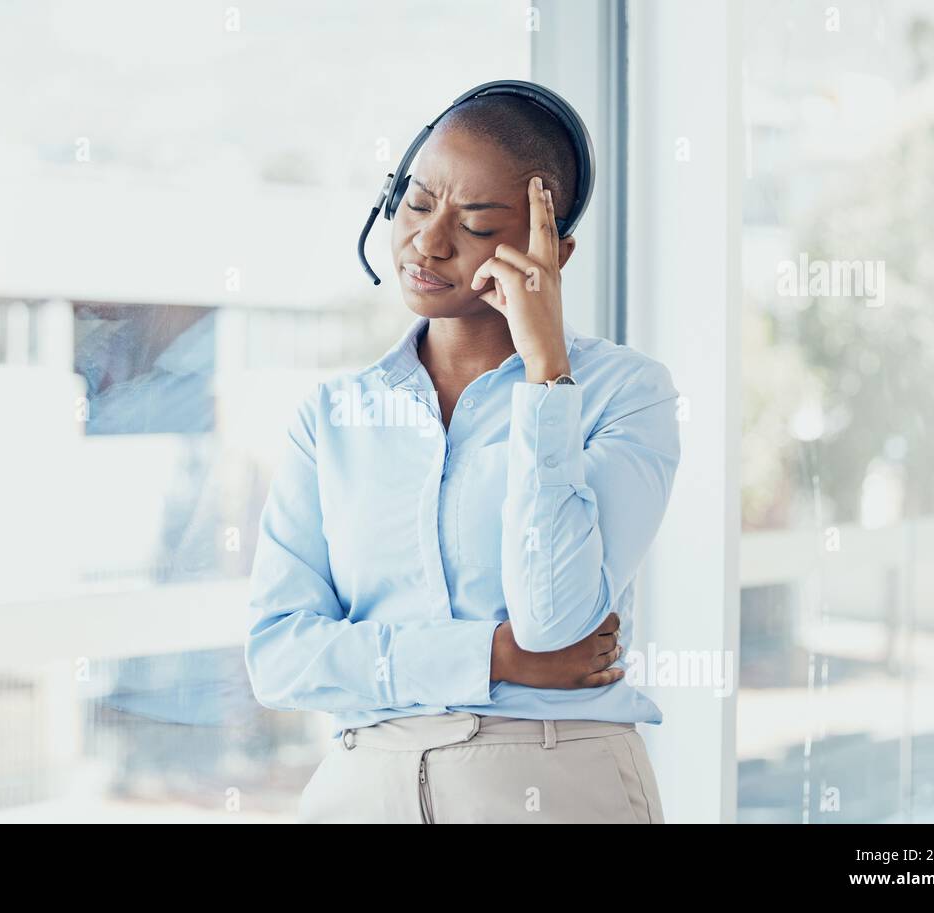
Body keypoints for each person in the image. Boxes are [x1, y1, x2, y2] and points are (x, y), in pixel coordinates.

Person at [244, 88, 681, 823]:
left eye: (476, 223)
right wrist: (493, 657)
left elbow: (554, 621)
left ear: (553, 249)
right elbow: (280, 654)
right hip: (364, 785)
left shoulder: (625, 393)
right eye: (417, 203)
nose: (430, 242)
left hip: (554, 779)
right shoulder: (331, 418)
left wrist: (547, 372)